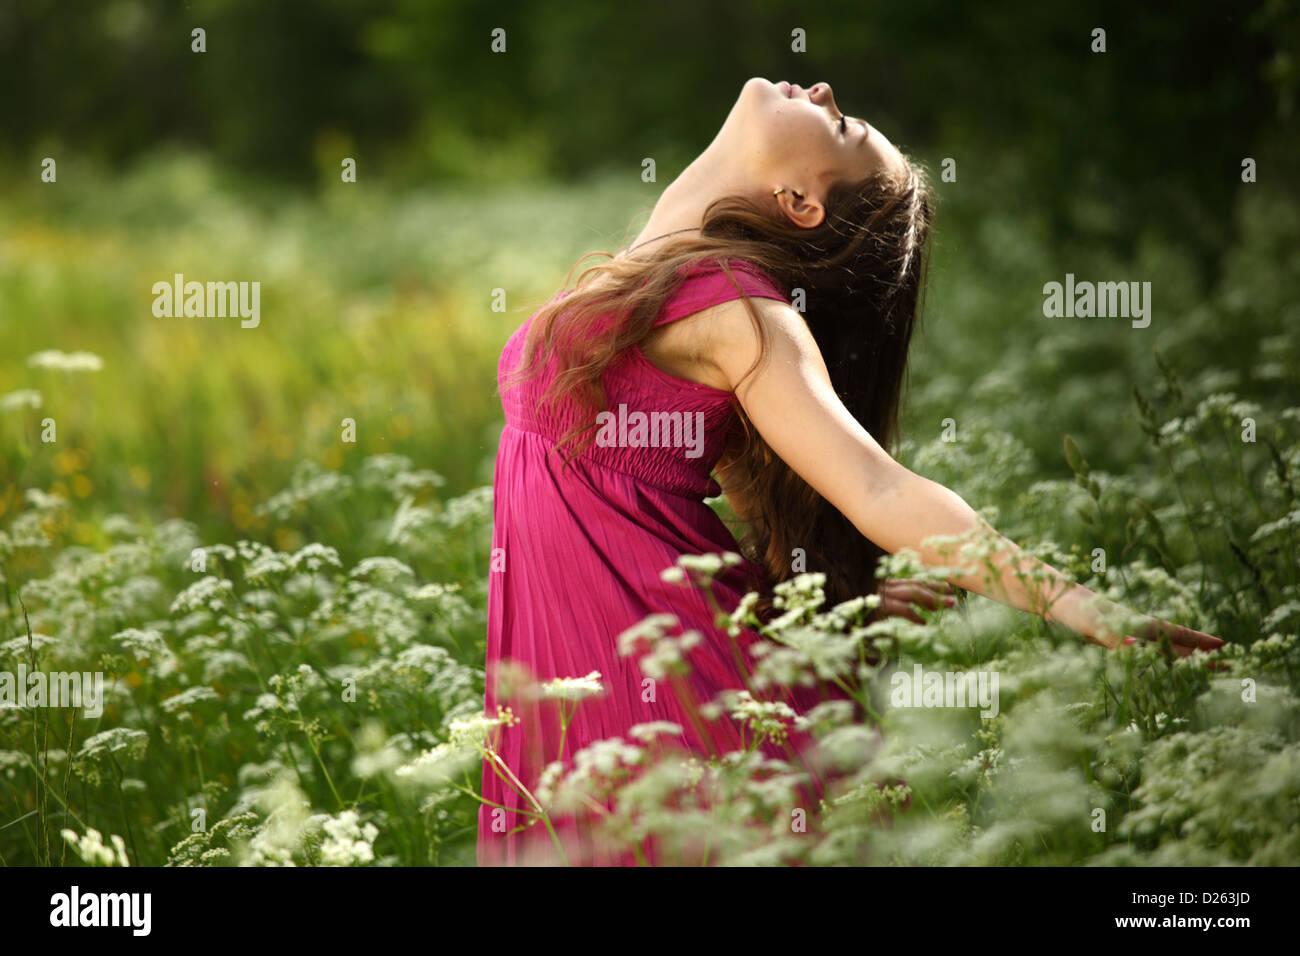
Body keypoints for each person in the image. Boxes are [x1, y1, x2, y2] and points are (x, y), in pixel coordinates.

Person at [477, 78, 1222, 866]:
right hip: (582, 661)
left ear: (799, 200)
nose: (825, 89)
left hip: (660, 678)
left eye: (840, 125)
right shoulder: (654, 270)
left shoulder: (742, 310)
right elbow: (730, 471)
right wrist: (820, 600)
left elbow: (877, 488)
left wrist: (1076, 605)